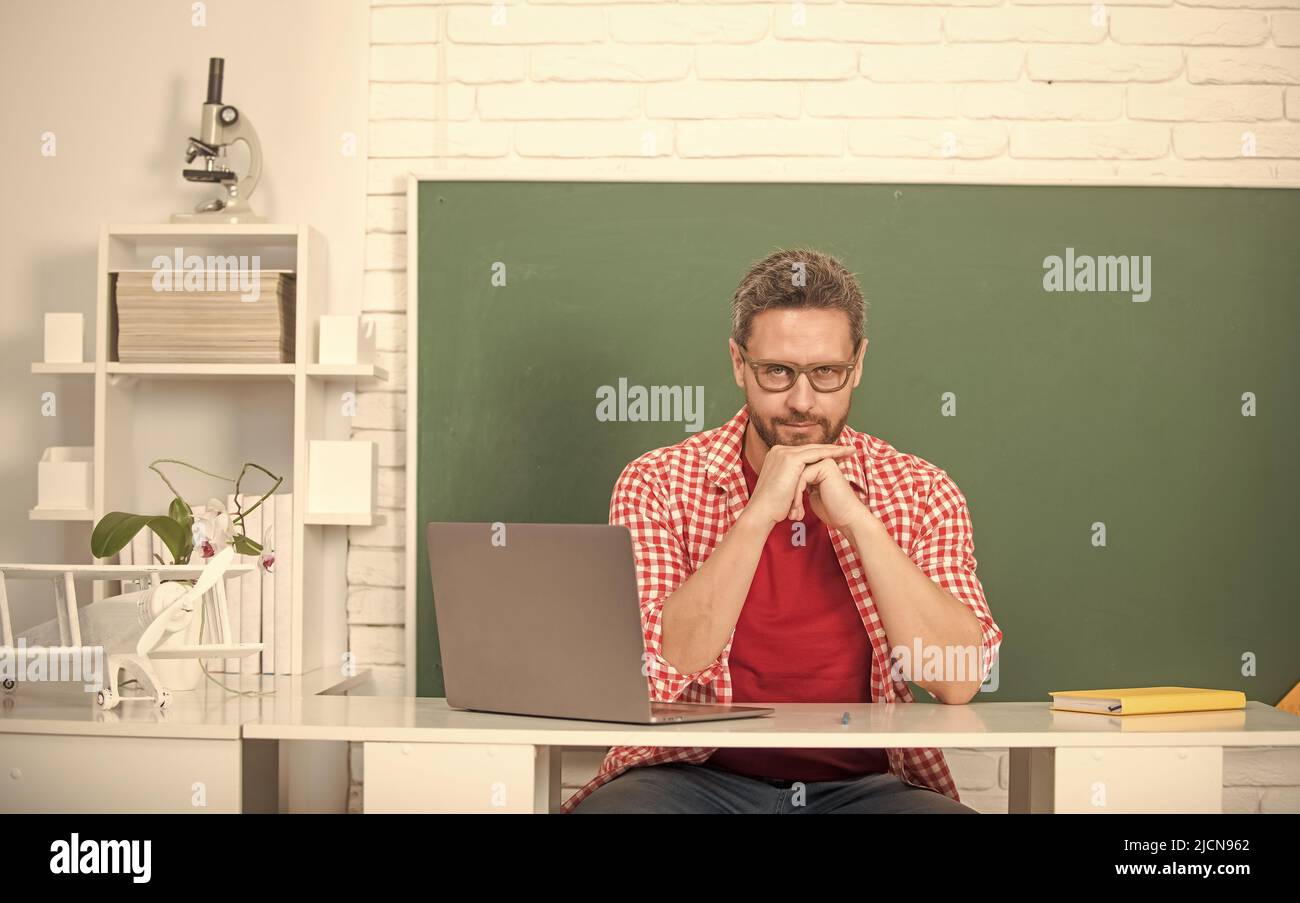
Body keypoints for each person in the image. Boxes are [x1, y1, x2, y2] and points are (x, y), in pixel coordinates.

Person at [566, 247, 1002, 814]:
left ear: (859, 364)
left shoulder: (921, 489)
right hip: (689, 777)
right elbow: (661, 667)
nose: (801, 401)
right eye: (777, 372)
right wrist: (757, 515)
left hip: (868, 787)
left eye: (826, 373)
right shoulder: (656, 482)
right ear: (738, 363)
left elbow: (958, 680)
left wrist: (859, 523)